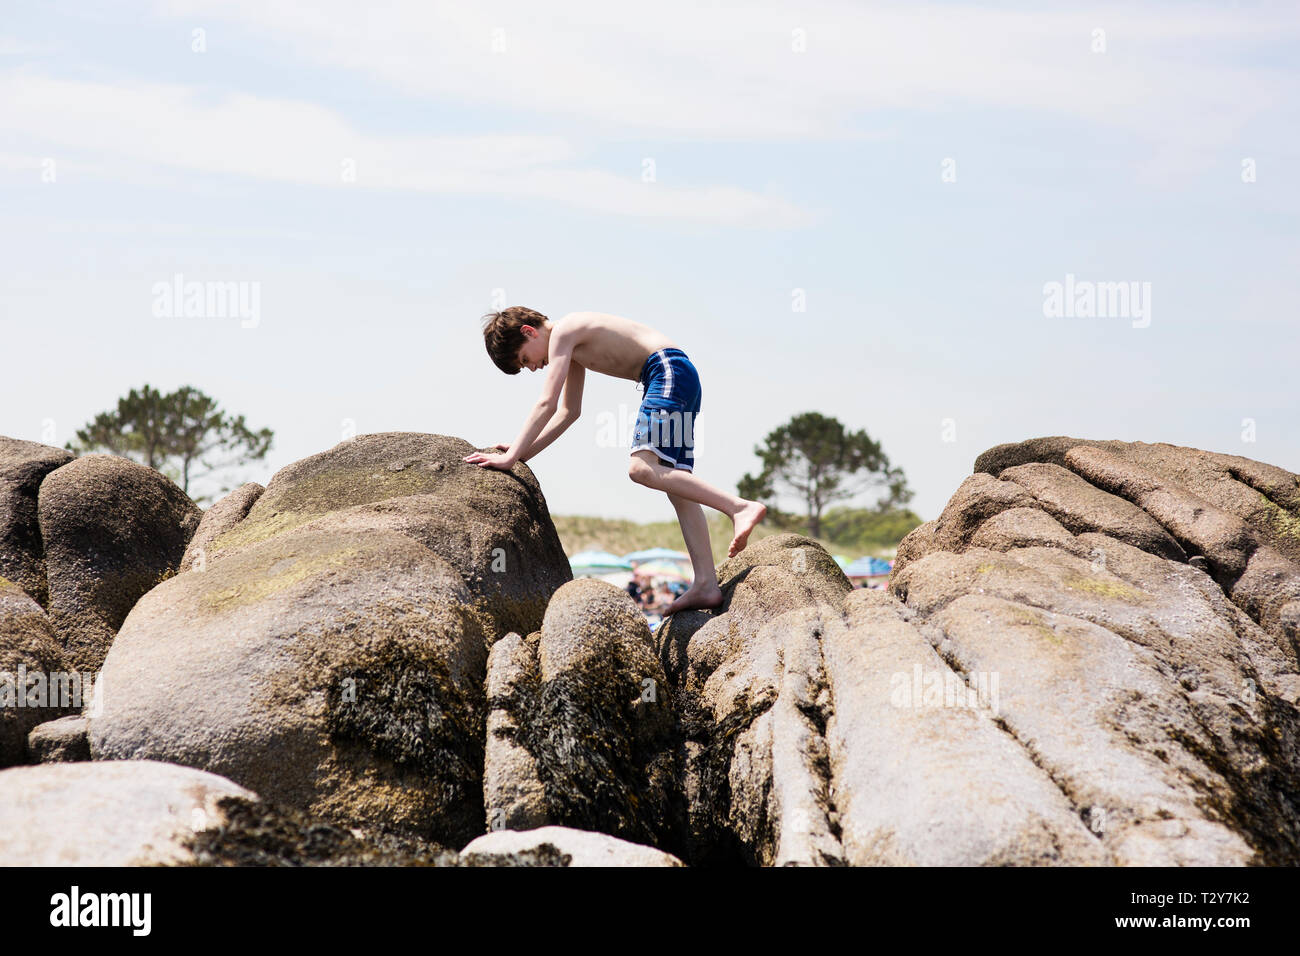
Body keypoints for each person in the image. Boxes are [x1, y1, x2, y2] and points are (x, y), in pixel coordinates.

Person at [465, 307, 766, 614]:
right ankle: (705, 583)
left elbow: (547, 402)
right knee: (677, 486)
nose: (532, 368)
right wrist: (522, 453)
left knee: (641, 468)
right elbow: (569, 412)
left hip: (665, 371)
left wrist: (512, 455)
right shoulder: (570, 347)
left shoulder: (565, 331)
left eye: (525, 360)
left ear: (529, 331)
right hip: (679, 374)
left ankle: (739, 507)